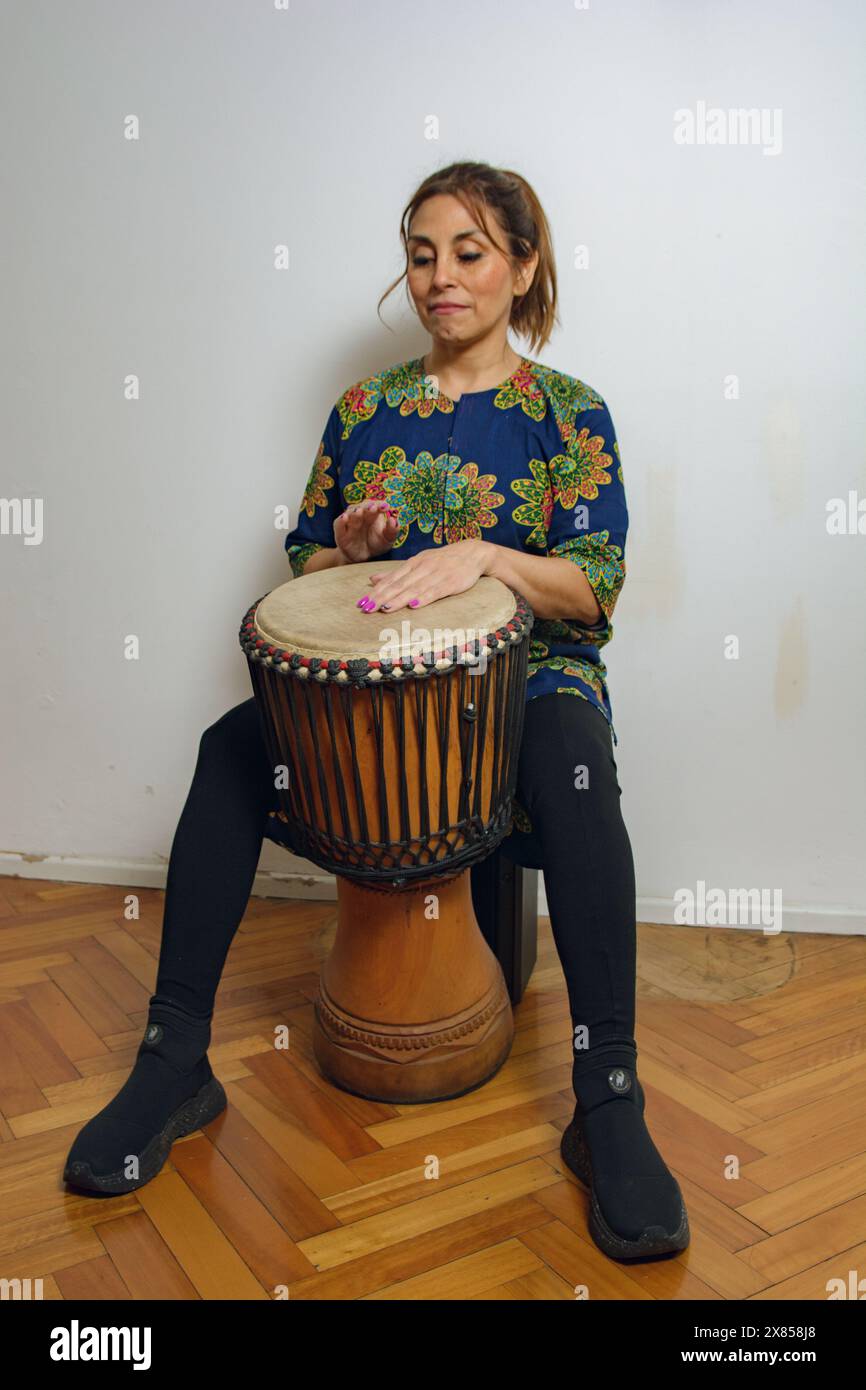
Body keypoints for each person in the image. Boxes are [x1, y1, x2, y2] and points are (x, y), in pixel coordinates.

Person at [64, 161, 689, 1263]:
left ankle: (607, 1100)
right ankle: (173, 1065)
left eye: (468, 252)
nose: (439, 278)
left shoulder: (567, 415)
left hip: (526, 684)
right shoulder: (363, 410)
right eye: (419, 254)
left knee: (578, 771)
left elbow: (593, 585)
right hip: (380, 698)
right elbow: (305, 556)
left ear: (522, 265)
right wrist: (342, 551)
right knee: (225, 750)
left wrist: (485, 553)